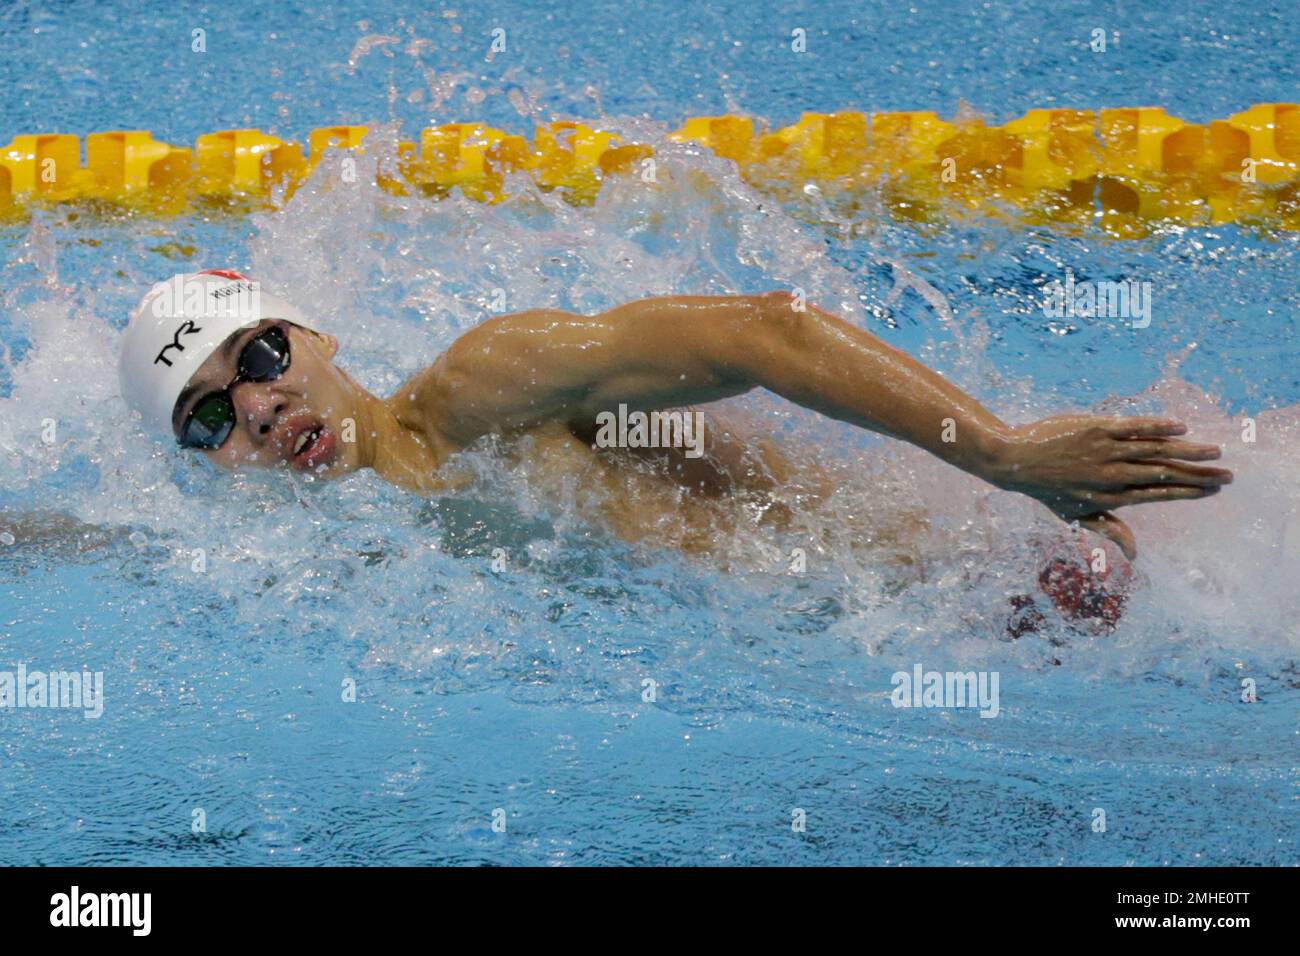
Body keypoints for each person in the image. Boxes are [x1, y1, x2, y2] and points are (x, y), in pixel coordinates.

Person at [118, 270, 1231, 577]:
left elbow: (768, 331)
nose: (259, 407)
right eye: (209, 416)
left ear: (315, 339)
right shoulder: (353, 548)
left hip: (1040, 568)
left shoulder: (481, 386)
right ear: (207, 464)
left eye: (260, 357)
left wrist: (1002, 454)